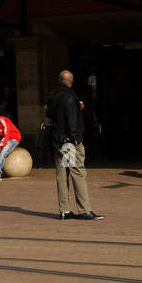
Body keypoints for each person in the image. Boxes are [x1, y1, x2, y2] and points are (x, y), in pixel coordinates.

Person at [46, 70, 102, 220]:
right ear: (70, 82)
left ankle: (64, 210)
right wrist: (76, 140)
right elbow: (71, 122)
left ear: (59, 80)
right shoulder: (70, 97)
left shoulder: (54, 95)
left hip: (58, 140)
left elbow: (50, 114)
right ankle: (84, 210)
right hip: (69, 143)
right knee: (78, 172)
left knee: (62, 174)